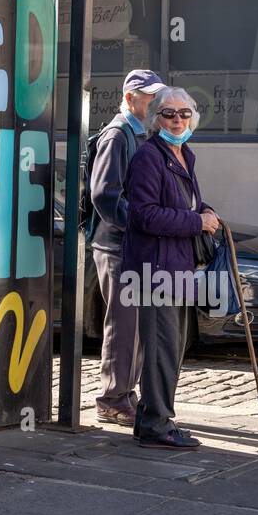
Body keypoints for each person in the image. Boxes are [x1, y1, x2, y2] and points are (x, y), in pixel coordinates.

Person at [121, 87, 220, 449]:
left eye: (183, 113)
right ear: (155, 118)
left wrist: (206, 211)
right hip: (154, 270)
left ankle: (151, 418)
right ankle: (158, 425)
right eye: (169, 114)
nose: (177, 120)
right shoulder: (150, 156)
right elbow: (144, 214)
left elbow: (185, 202)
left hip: (177, 268)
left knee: (171, 348)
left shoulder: (182, 154)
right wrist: (197, 223)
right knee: (163, 349)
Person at [89, 69, 165, 427]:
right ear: (131, 97)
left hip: (129, 243)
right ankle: (112, 399)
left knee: (133, 325)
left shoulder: (140, 134)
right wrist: (137, 225)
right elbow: (104, 194)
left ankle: (123, 393)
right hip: (117, 244)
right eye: (150, 96)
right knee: (123, 324)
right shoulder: (119, 135)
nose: (155, 103)